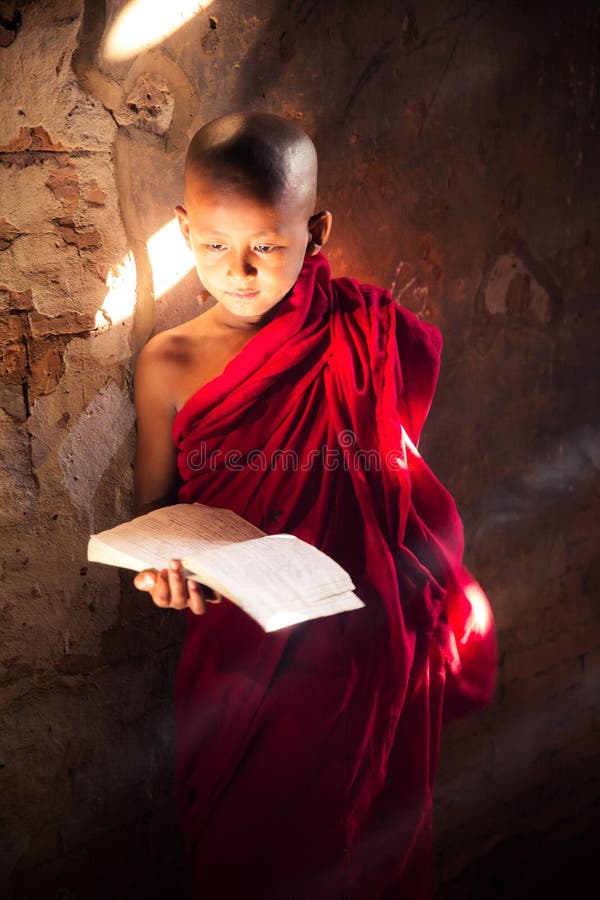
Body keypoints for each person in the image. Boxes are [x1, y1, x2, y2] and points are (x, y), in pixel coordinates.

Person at [132, 111, 497, 899]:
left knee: (366, 856)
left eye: (266, 245)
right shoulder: (169, 363)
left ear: (316, 228)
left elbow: (392, 486)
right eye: (212, 246)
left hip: (361, 653)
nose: (239, 270)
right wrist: (164, 573)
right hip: (240, 665)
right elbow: (155, 517)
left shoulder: (362, 331)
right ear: (182, 227)